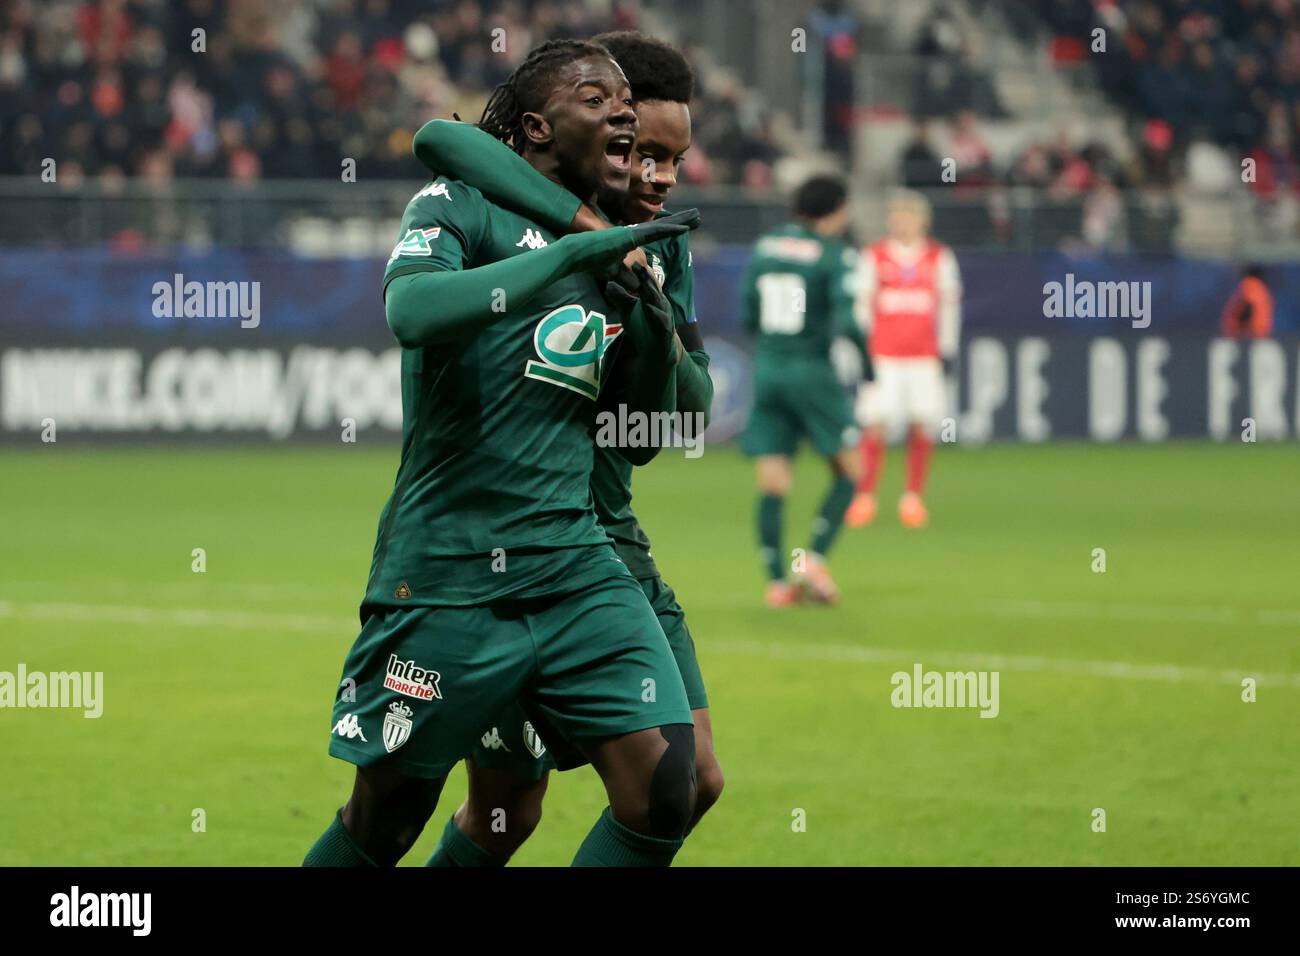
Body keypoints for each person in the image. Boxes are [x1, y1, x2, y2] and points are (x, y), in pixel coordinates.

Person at [302, 39, 703, 868]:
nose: (627, 127)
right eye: (603, 105)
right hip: (447, 570)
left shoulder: (639, 241)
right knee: (394, 818)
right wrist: (571, 252)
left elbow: (652, 427)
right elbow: (412, 312)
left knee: (670, 788)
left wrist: (656, 327)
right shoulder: (460, 205)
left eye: (634, 116)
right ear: (537, 125)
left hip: (575, 562)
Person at [409, 30, 725, 865]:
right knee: (507, 805)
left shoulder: (663, 244)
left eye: (672, 159)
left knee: (689, 783)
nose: (654, 176)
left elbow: (679, 422)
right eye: (639, 151)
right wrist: (587, 231)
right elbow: (441, 137)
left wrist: (651, 312)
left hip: (605, 541)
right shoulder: (514, 206)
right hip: (507, 544)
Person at [739, 175, 867, 606]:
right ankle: (811, 559)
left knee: (773, 482)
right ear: (835, 210)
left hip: (769, 369)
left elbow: (748, 313)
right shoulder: (834, 255)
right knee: (851, 471)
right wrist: (868, 366)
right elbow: (850, 322)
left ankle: (778, 582)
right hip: (810, 370)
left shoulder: (764, 247)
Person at [847, 190, 961, 530]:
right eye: (898, 216)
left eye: (910, 216)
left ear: (923, 221)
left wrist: (948, 348)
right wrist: (862, 349)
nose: (903, 222)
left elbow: (949, 306)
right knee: (875, 423)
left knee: (921, 423)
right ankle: (865, 497)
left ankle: (912, 498)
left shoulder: (940, 257)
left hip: (923, 356)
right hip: (884, 354)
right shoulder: (875, 256)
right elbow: (862, 305)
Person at [1220, 265, 1274, 339]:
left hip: (1247, 334)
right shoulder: (1262, 288)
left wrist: (1242, 328)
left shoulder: (1250, 283)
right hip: (1259, 334)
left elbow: (1248, 306)